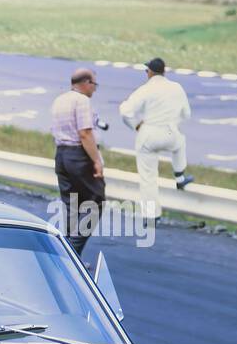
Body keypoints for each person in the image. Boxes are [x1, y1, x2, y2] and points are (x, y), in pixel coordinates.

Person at [120, 58, 194, 226]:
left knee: (148, 177)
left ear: (150, 72)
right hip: (170, 131)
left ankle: (152, 215)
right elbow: (186, 114)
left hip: (148, 134)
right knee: (180, 143)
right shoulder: (177, 88)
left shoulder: (145, 89)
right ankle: (179, 176)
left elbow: (125, 111)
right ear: (164, 71)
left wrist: (136, 125)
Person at [50, 68, 105, 257]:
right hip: (78, 156)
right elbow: (85, 133)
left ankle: (63, 251)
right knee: (95, 202)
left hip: (61, 154)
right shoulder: (82, 101)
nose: (95, 89)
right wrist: (96, 160)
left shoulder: (60, 99)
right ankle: (72, 254)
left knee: (71, 204)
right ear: (86, 83)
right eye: (94, 85)